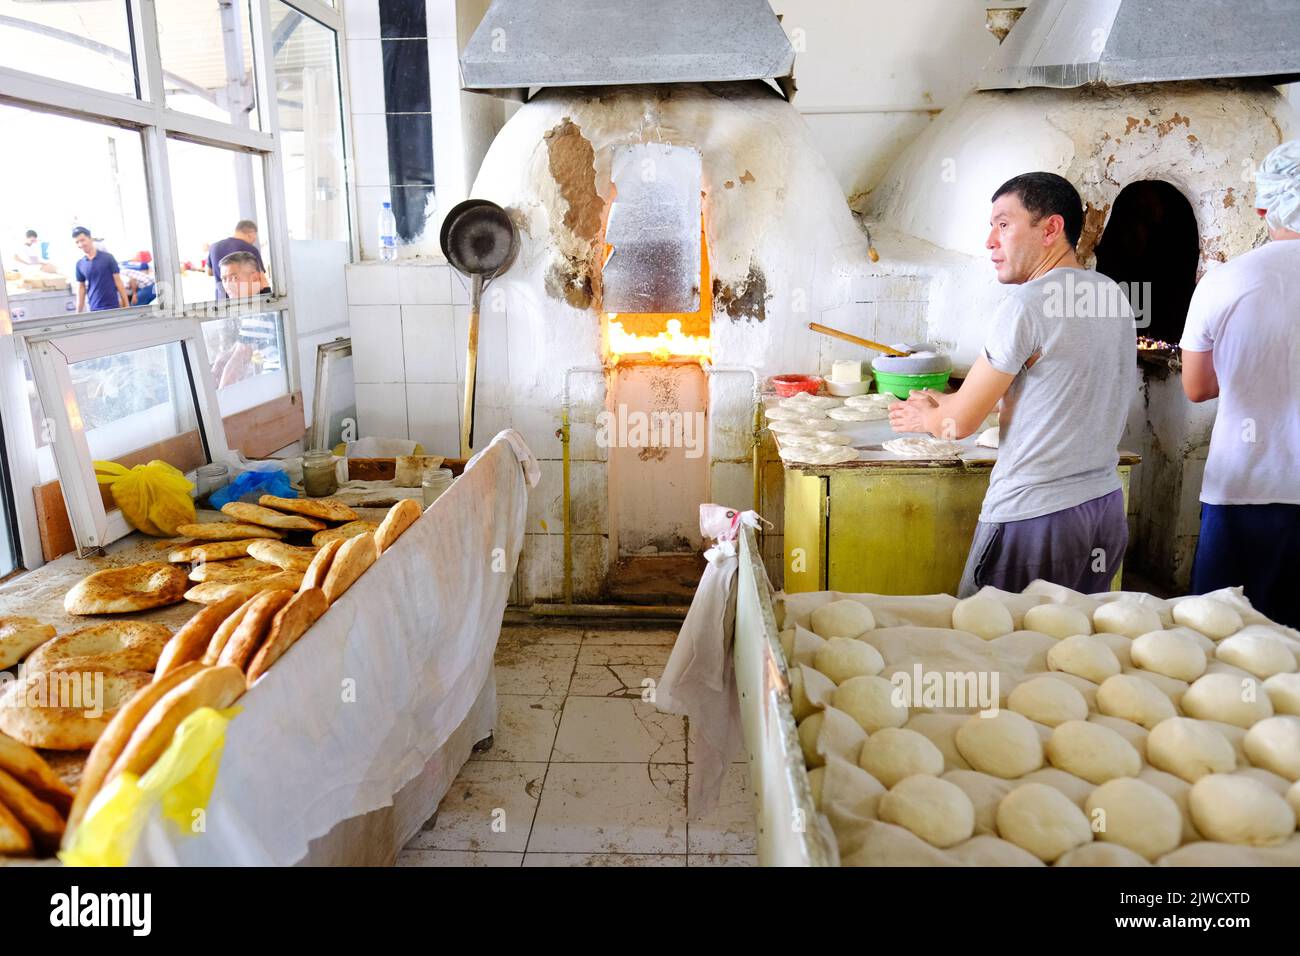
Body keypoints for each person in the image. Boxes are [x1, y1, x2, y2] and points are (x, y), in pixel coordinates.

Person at [888, 172, 1136, 597]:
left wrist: (924, 415)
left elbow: (960, 424)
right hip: (1103, 511)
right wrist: (949, 402)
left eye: (1003, 224)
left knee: (993, 645)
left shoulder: (1026, 304)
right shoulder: (1110, 293)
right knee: (1069, 652)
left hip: (1036, 517)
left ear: (1051, 228)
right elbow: (1056, 386)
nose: (989, 241)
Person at [1180, 139, 1300, 627]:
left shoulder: (1225, 281)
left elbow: (1198, 388)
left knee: (1220, 641)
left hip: (1246, 489)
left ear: (1262, 206)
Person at [72, 226, 127, 313]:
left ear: (90, 239)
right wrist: (77, 313)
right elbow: (81, 289)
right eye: (77, 242)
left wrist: (126, 305)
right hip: (94, 309)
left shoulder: (108, 258)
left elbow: (118, 282)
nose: (80, 244)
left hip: (112, 307)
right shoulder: (80, 264)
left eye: (82, 240)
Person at [206, 220, 266, 300]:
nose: (254, 240)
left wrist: (225, 276)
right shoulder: (250, 249)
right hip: (245, 299)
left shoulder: (214, 247)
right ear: (251, 233)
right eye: (255, 236)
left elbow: (209, 272)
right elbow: (261, 277)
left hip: (222, 299)